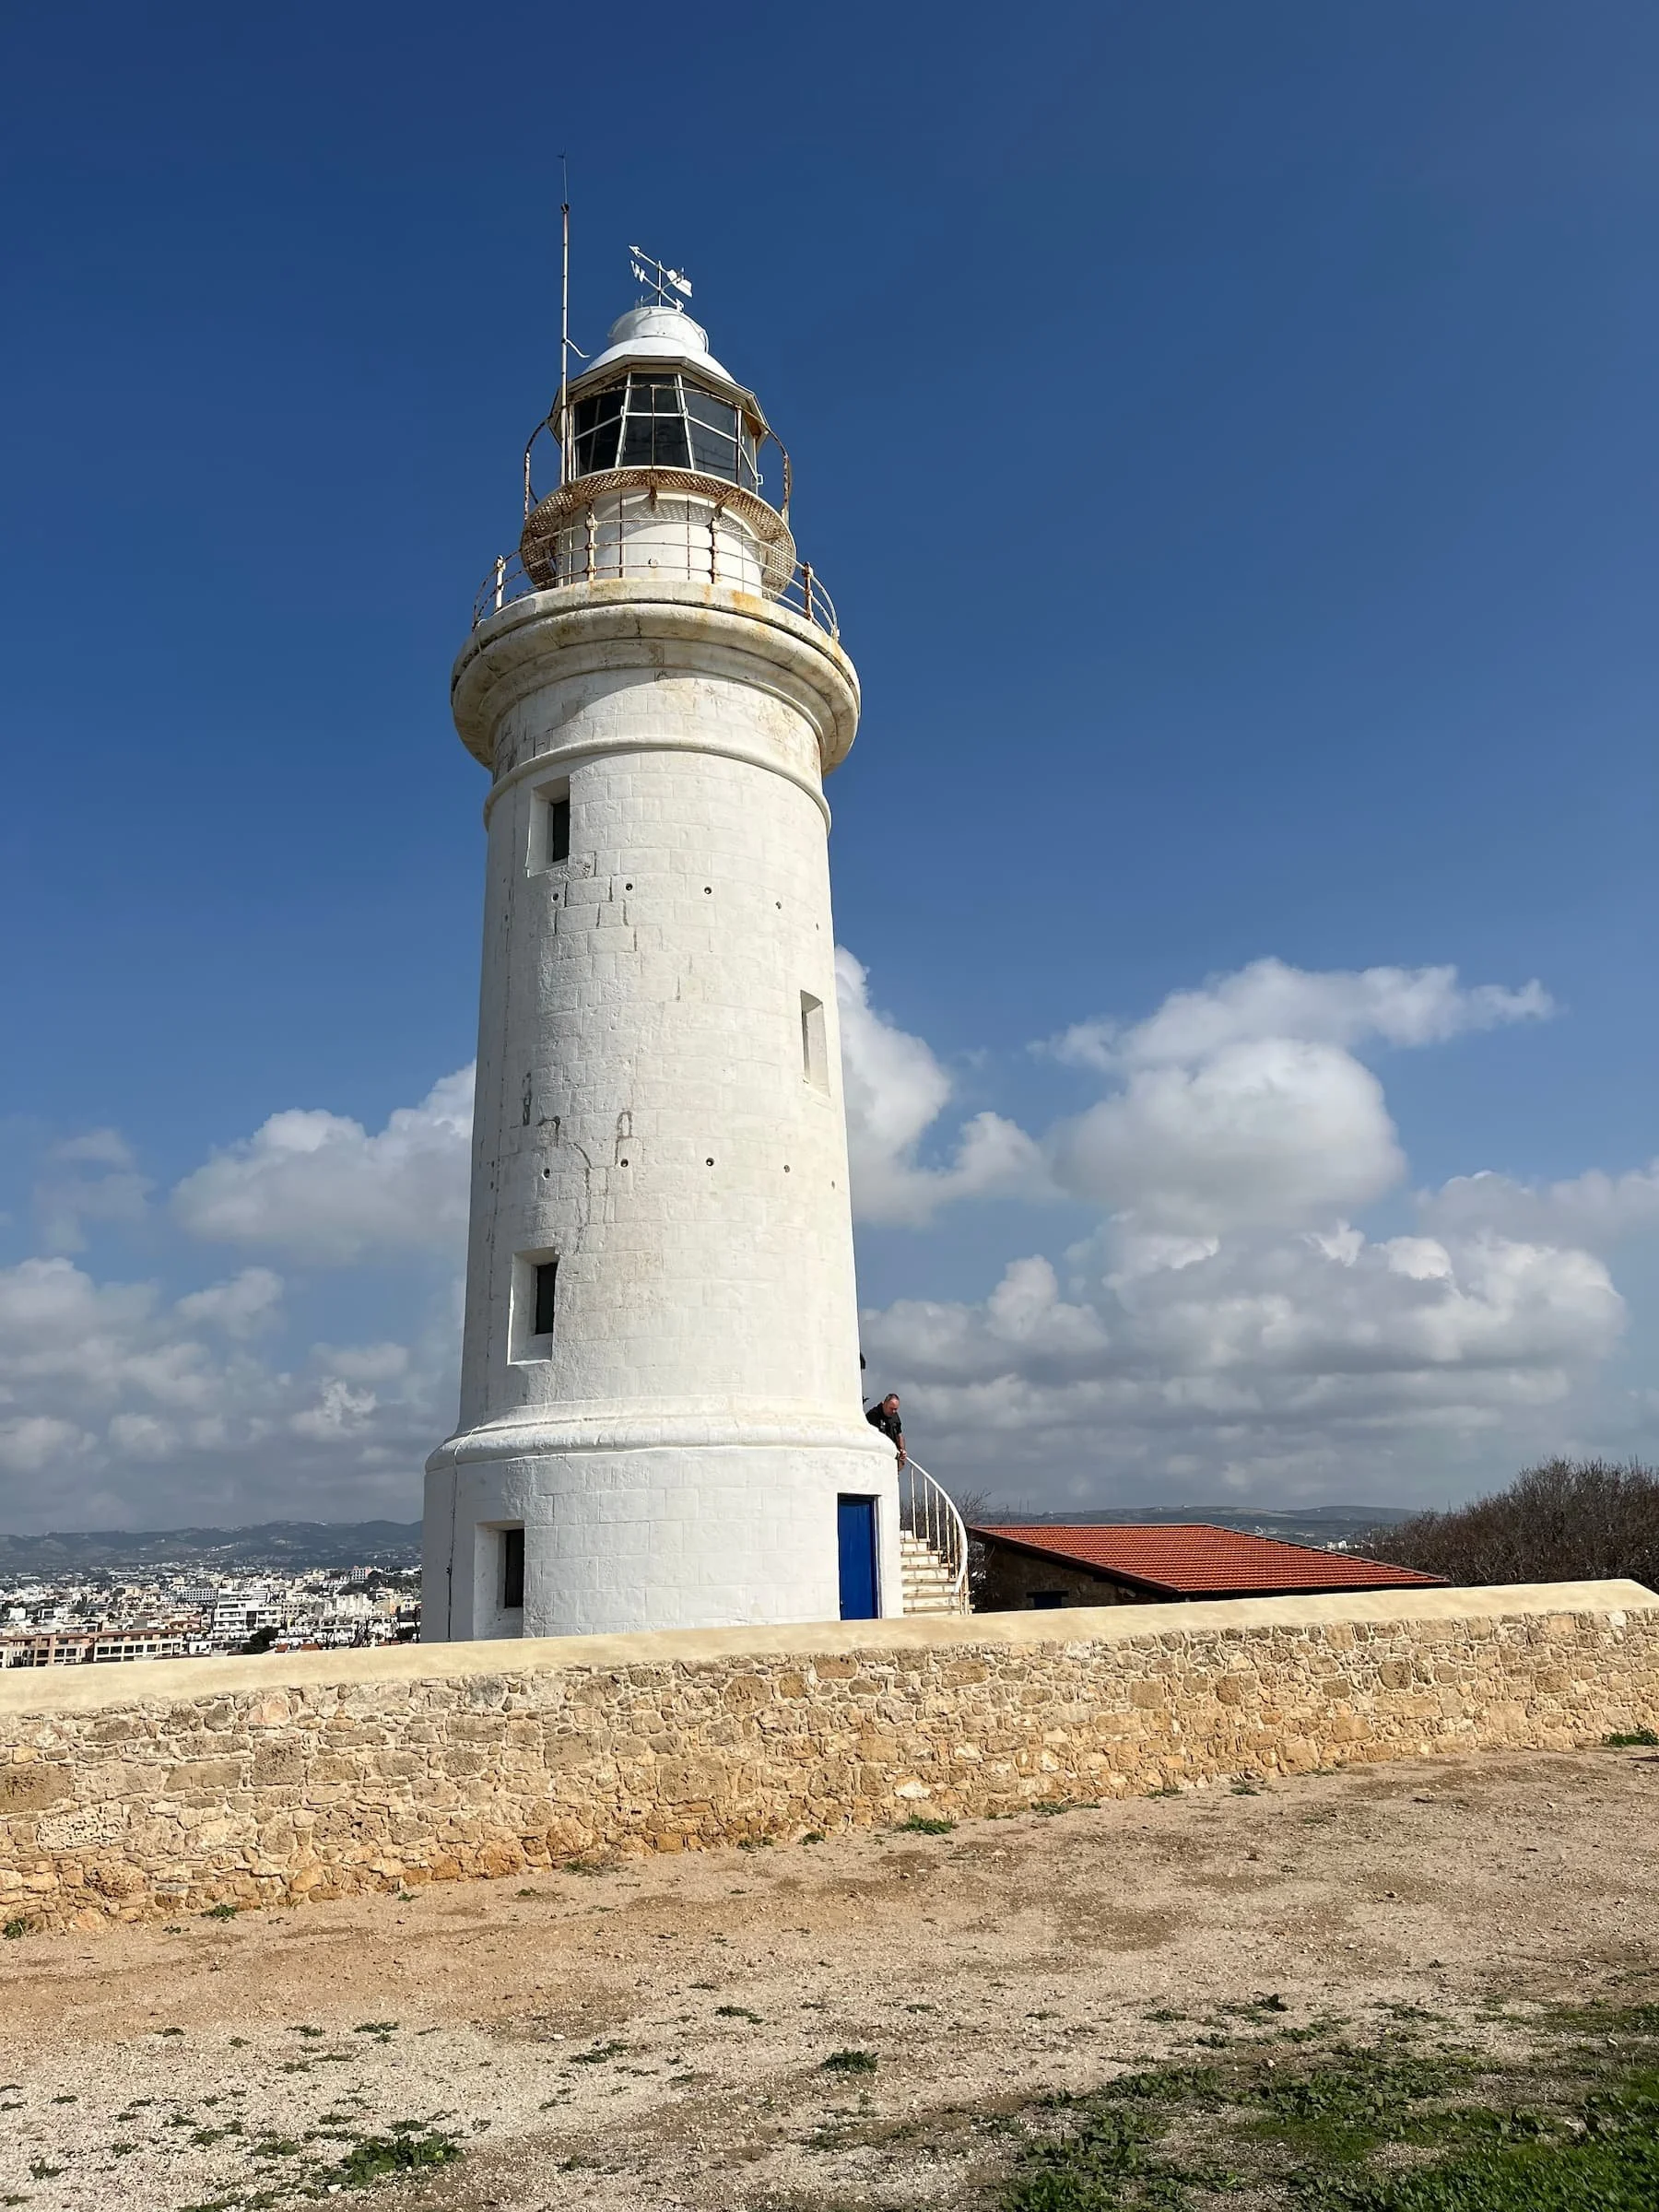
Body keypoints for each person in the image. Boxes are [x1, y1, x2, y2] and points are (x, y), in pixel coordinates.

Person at [865, 1391, 906, 1469]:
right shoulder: (873, 1415)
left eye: (896, 1409)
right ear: (884, 1404)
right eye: (891, 1409)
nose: (893, 1411)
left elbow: (899, 1434)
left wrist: (902, 1451)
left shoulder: (895, 1416)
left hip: (893, 1456)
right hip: (877, 1457)